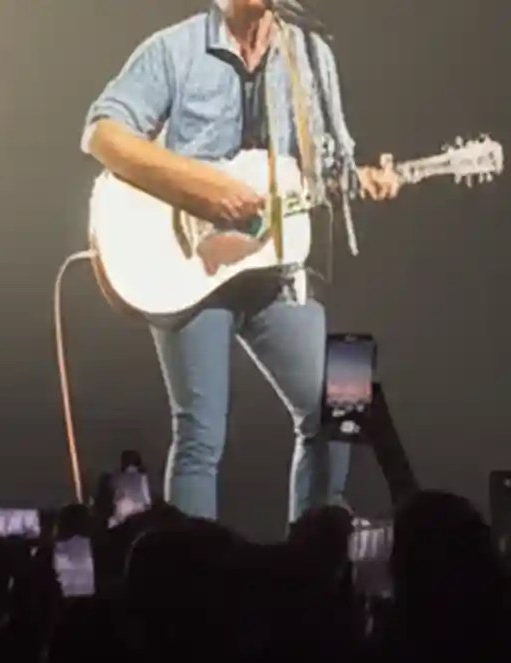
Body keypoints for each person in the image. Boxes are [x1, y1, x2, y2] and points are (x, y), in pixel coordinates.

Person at [81, 0, 400, 524]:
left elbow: (327, 164)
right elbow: (102, 134)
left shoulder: (311, 55)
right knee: (202, 432)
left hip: (271, 265)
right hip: (187, 268)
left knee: (346, 389)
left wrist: (362, 178)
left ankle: (316, 555)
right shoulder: (175, 49)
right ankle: (192, 577)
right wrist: (202, 190)